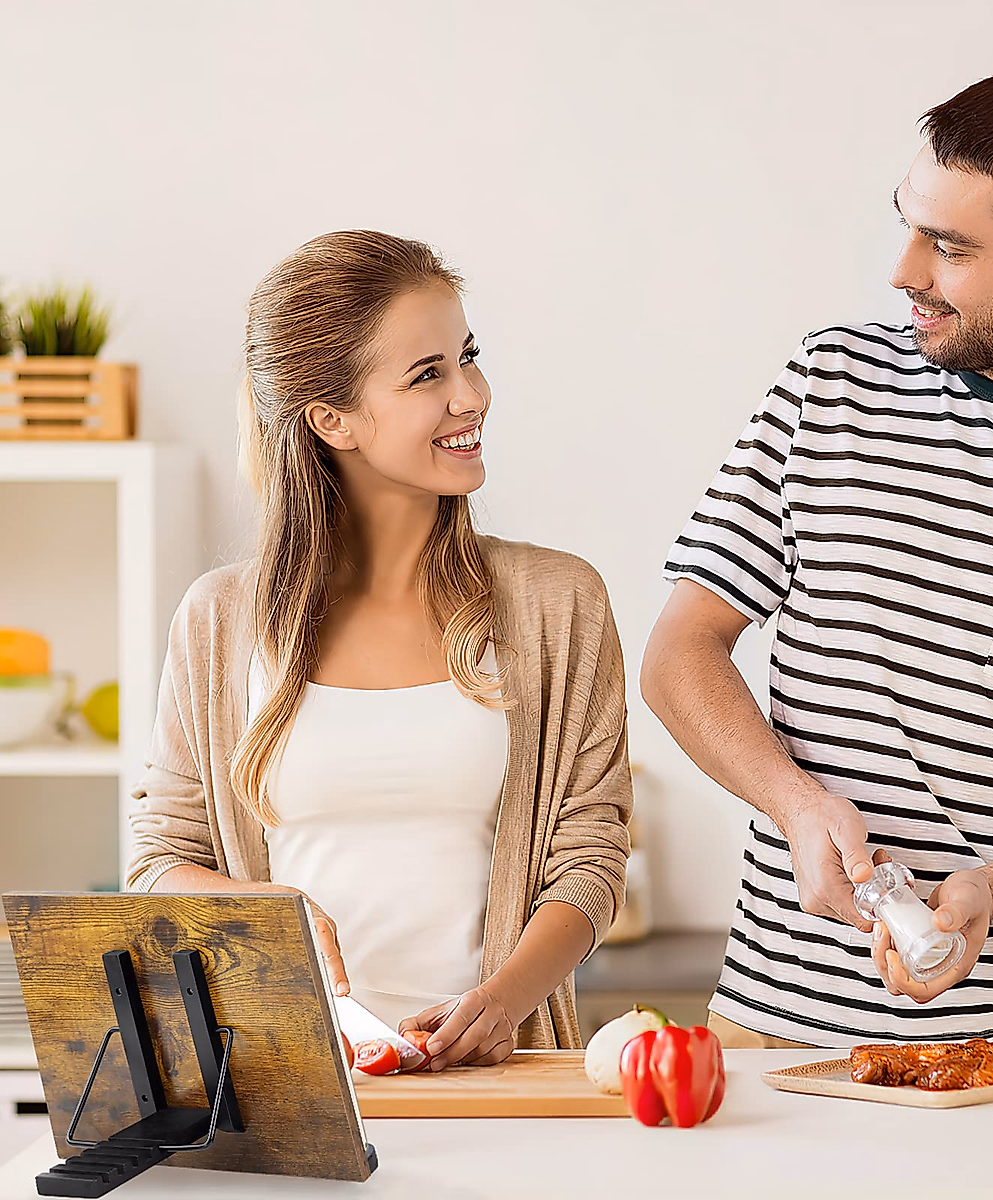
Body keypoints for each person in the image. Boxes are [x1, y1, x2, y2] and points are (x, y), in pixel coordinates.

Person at [642, 67, 993, 1049]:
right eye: (907, 224)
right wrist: (797, 803)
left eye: (946, 246)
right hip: (776, 1039)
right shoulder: (831, 384)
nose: (903, 269)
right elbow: (682, 650)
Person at [126, 230, 632, 1069]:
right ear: (333, 420)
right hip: (278, 1083)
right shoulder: (218, 621)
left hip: (497, 1081)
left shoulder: (557, 602)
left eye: (468, 357)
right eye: (428, 374)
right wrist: (266, 909)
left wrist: (501, 1001)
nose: (473, 395)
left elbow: (590, 855)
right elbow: (157, 864)